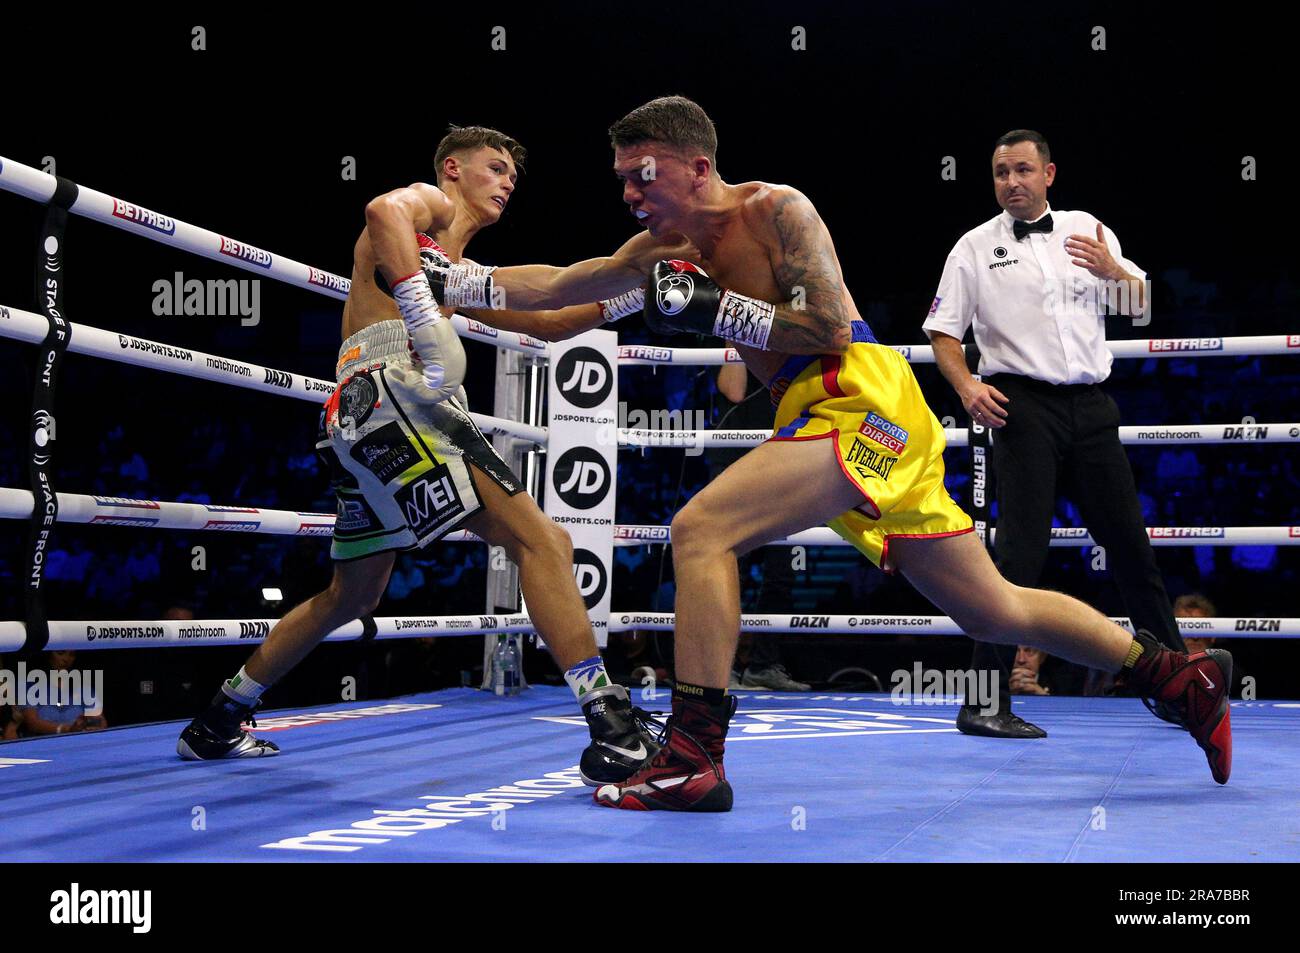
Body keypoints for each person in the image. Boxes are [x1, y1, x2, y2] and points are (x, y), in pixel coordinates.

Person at [426, 96, 1233, 810]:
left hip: (864, 396)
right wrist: (455, 285)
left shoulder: (778, 210)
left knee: (701, 530)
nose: (631, 195)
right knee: (993, 607)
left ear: (697, 166)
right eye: (623, 182)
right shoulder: (658, 254)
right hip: (821, 413)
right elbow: (562, 299)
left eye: (643, 176)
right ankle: (1172, 673)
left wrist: (720, 308)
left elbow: (825, 328)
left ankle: (693, 756)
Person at [178, 126, 660, 787]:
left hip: (361, 413)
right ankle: (613, 725)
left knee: (349, 595)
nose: (508, 180)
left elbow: (550, 319)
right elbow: (382, 211)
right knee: (542, 538)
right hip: (395, 388)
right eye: (494, 167)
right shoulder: (430, 205)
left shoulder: (453, 269)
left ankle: (218, 719)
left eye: (513, 174)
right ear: (454, 169)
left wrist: (640, 294)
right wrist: (422, 313)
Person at [923, 129, 1189, 737]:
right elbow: (943, 331)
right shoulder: (972, 247)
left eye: (1021, 170)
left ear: (1048, 174)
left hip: (1092, 408)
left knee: (1130, 545)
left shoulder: (1088, 228)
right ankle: (984, 701)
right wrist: (966, 387)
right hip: (1021, 407)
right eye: (999, 173)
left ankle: (1176, 687)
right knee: (1019, 554)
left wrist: (1113, 269)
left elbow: (1140, 305)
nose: (1010, 182)